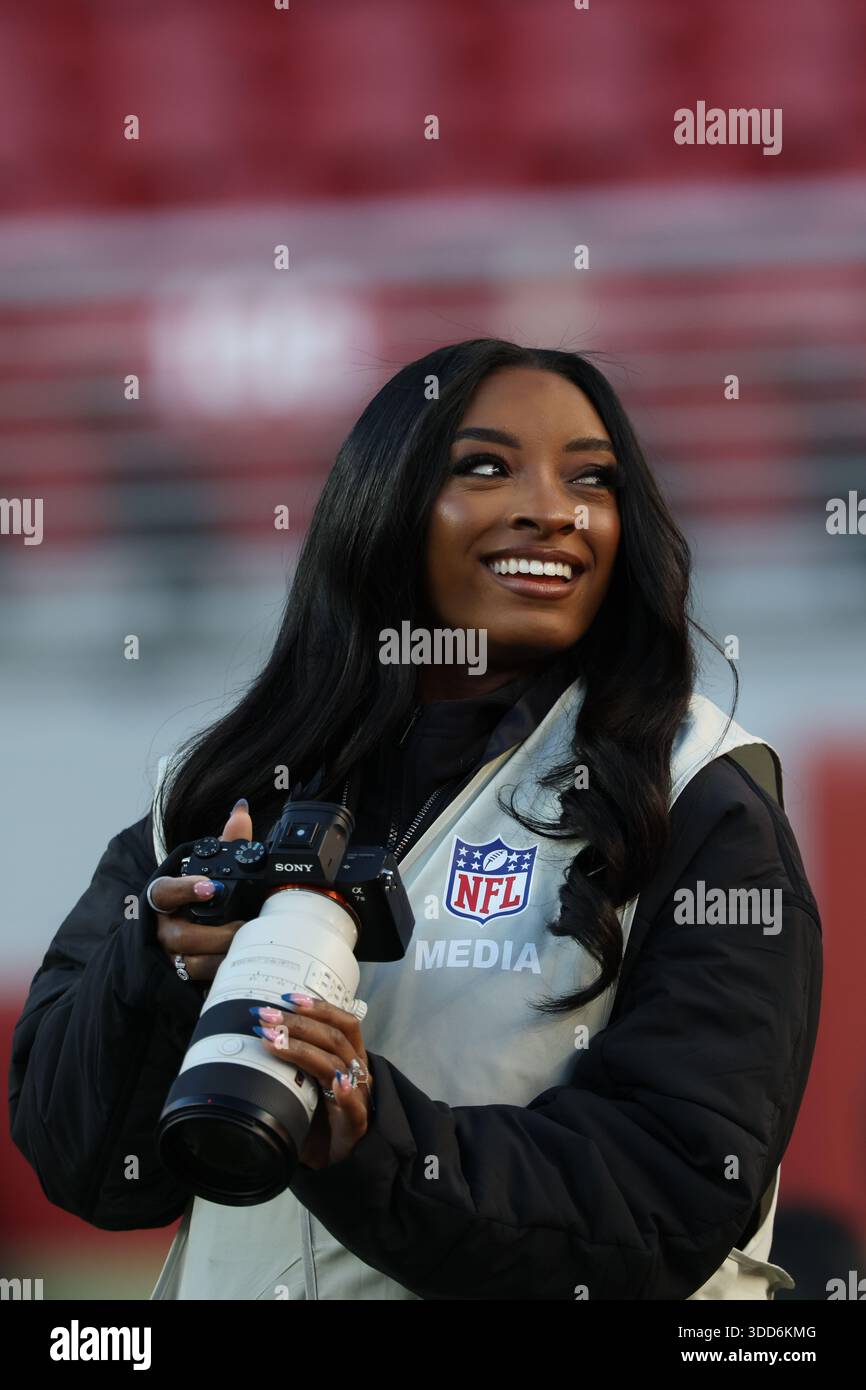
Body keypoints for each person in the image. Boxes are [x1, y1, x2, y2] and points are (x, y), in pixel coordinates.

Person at [9, 340, 822, 1300]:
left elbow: (669, 1192)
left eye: (592, 480)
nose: (553, 511)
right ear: (382, 505)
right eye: (486, 466)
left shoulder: (697, 793)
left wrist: (365, 1136)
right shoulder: (220, 785)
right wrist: (159, 970)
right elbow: (93, 1172)